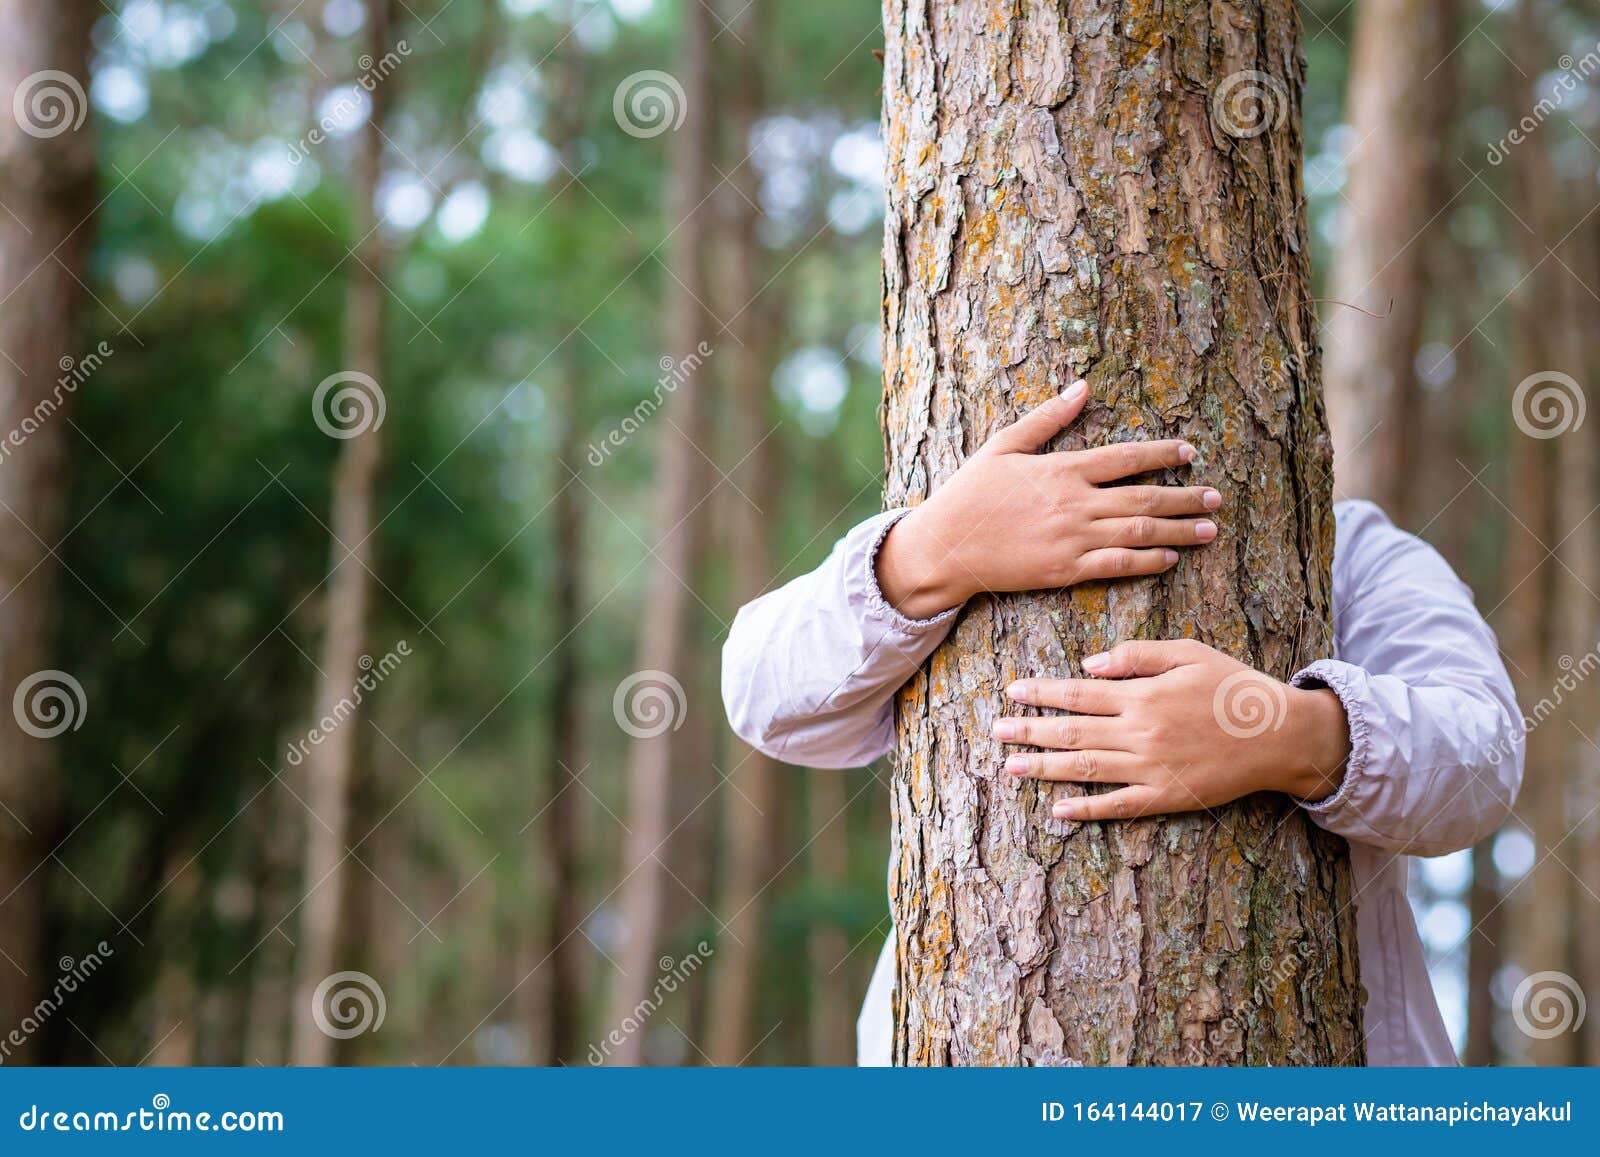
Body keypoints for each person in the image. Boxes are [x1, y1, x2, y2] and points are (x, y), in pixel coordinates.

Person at [721, 379, 1524, 1066]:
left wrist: (1282, 734)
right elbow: (758, 691)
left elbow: (1484, 755)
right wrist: (931, 549)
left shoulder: (1349, 551)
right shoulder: (955, 521)